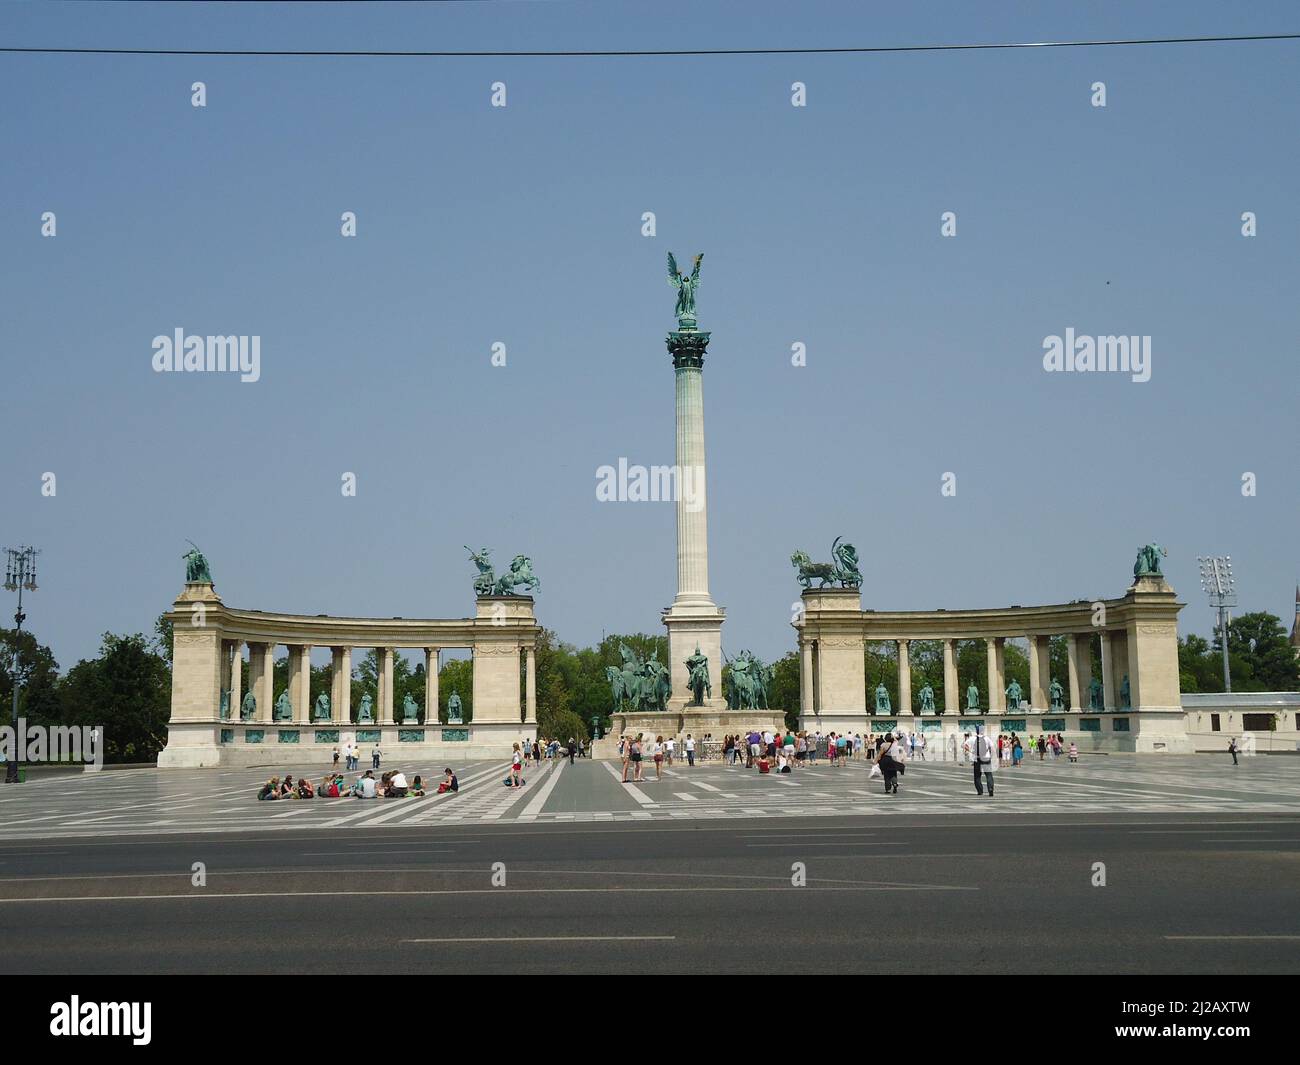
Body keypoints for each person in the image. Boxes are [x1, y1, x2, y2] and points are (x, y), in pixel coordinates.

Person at [972, 728, 996, 797]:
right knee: (989, 775)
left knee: (977, 776)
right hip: (986, 758)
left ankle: (980, 791)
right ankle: (990, 788)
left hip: (977, 759)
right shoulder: (987, 738)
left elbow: (964, 745)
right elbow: (992, 747)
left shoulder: (973, 738)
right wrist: (992, 756)